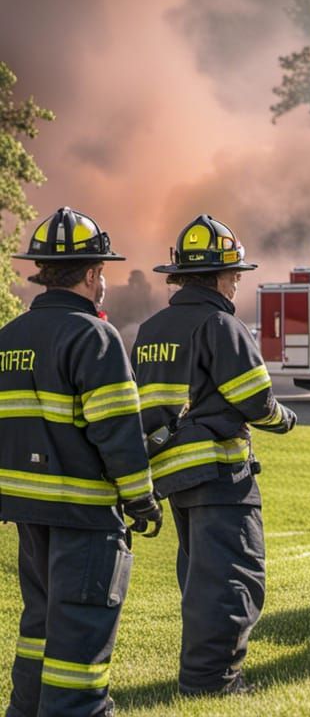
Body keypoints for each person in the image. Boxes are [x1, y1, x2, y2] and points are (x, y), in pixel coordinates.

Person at [2, 208, 161, 716]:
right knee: (82, 624)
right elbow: (115, 430)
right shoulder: (94, 337)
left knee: (41, 623)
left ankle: (25, 710)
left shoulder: (9, 338)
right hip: (84, 512)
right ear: (92, 274)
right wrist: (141, 499)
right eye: (102, 273)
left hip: (29, 511)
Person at [133, 214, 295, 696]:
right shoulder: (221, 323)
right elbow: (256, 400)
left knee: (202, 580)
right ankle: (213, 684)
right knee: (233, 578)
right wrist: (285, 420)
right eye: (235, 275)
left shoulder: (150, 329)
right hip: (221, 473)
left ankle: (203, 676)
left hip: (175, 477)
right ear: (220, 277)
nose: (237, 284)